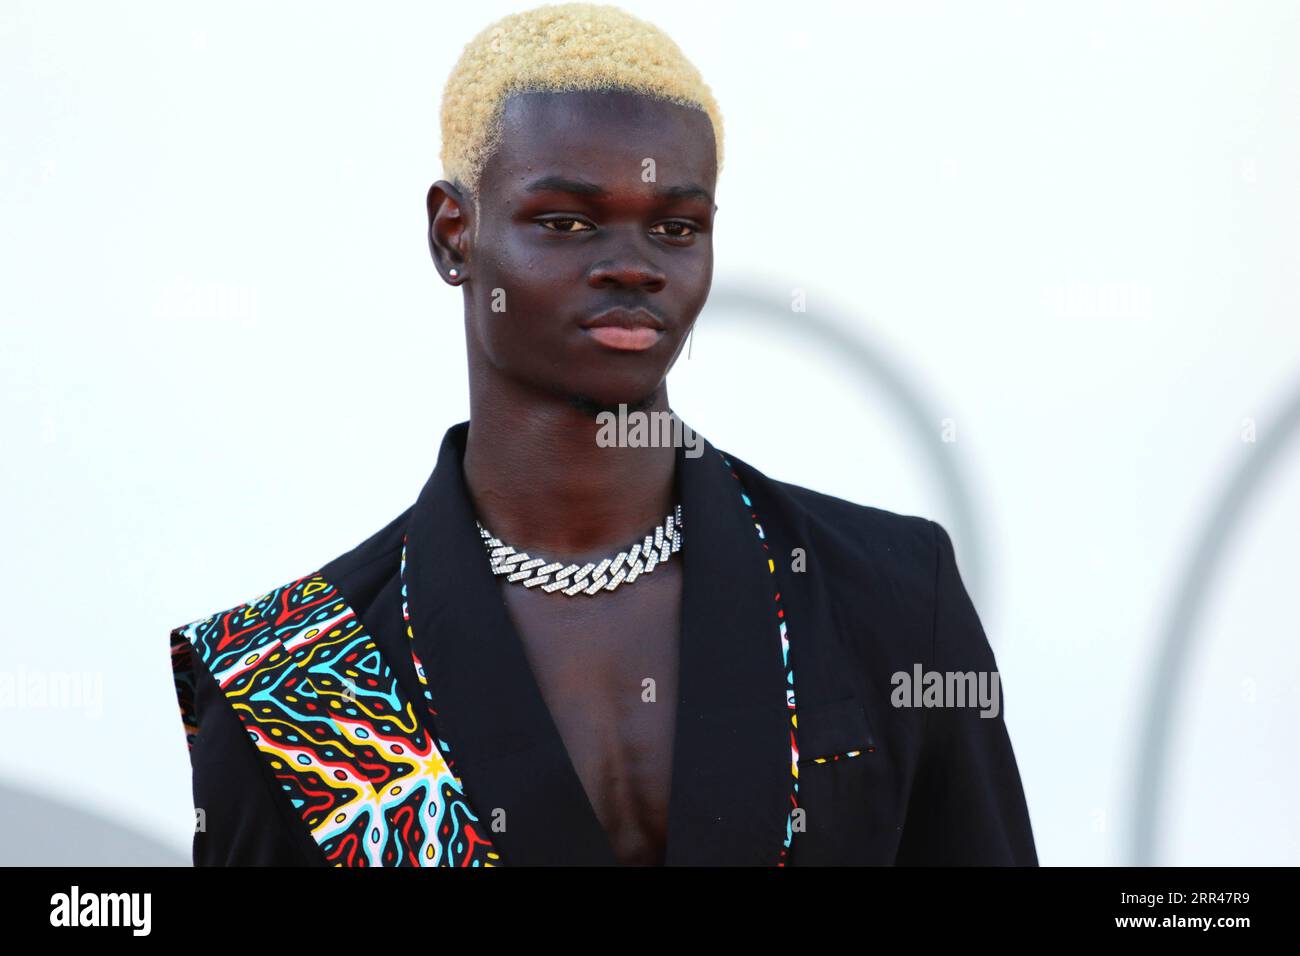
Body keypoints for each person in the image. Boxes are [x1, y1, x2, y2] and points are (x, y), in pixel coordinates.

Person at [168, 2, 1037, 867]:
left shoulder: (887, 593)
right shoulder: (296, 683)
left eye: (676, 226)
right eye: (567, 222)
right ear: (452, 234)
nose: (635, 263)